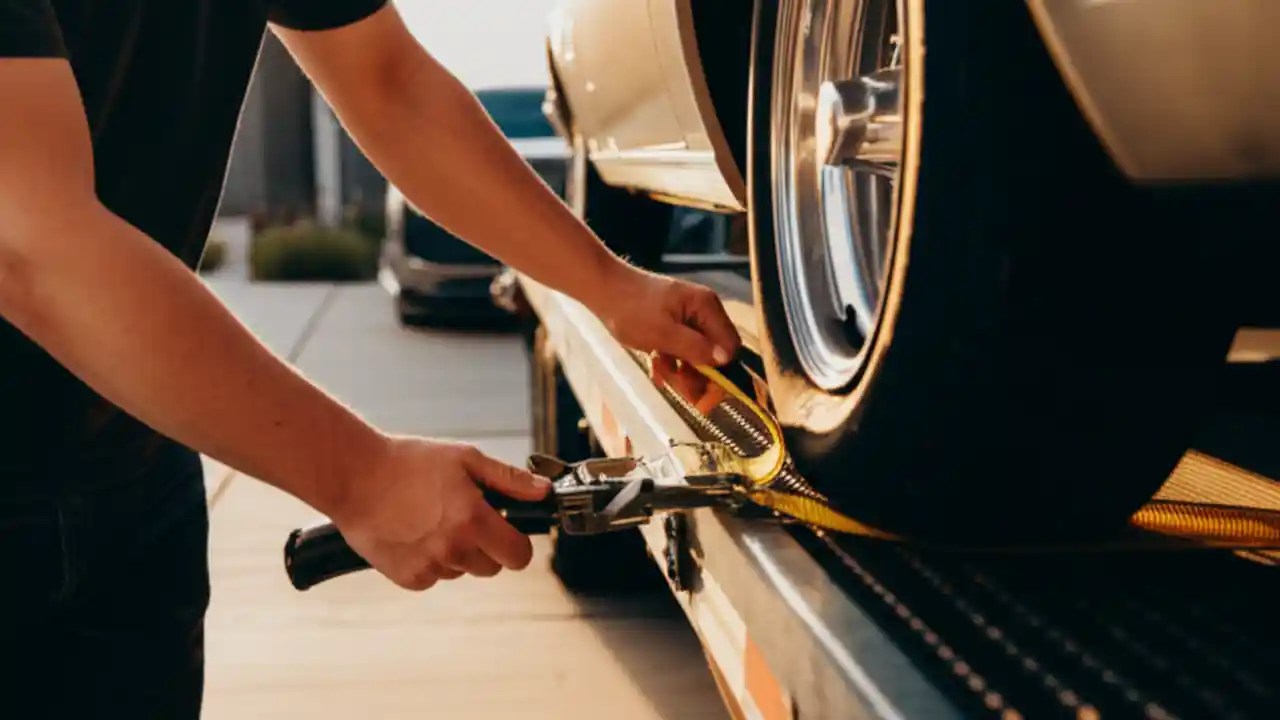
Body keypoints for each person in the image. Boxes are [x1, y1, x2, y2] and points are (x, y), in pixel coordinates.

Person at [0, 1, 742, 717]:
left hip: (131, 467)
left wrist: (609, 288)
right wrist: (361, 476)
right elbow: (28, 243)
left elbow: (388, 83)